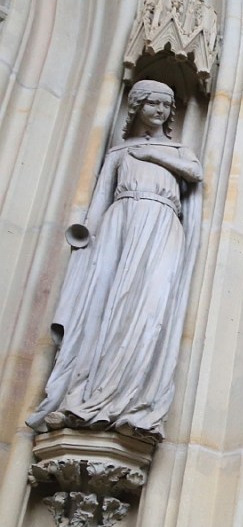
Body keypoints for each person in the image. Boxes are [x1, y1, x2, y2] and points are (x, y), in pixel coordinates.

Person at [27, 80, 202, 442]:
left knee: (149, 307)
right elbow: (99, 201)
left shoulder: (179, 151)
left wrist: (151, 154)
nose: (160, 110)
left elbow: (195, 173)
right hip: (119, 228)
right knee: (105, 307)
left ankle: (132, 398)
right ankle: (84, 395)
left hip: (162, 227)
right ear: (136, 106)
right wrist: (86, 233)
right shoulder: (119, 153)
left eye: (166, 105)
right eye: (152, 103)